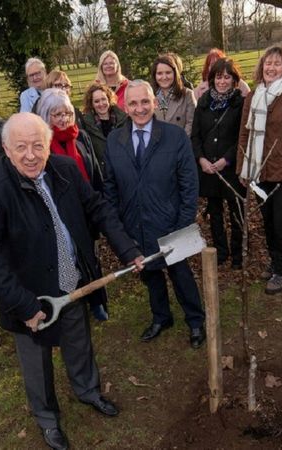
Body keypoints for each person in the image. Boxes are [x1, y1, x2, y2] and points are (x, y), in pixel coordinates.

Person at [0, 112, 144, 450]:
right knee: (37, 364)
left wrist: (127, 249)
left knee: (79, 342)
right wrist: (23, 305)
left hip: (72, 280)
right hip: (30, 295)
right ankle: (48, 419)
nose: (30, 155)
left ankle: (88, 390)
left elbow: (98, 208)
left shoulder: (64, 168)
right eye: (21, 147)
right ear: (6, 148)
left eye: (38, 146)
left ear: (49, 145)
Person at [104, 80, 206, 348]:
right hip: (135, 224)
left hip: (170, 223)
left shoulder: (175, 136)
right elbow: (110, 186)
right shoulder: (114, 140)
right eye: (133, 103)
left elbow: (189, 185)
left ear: (154, 103)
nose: (140, 109)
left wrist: (182, 226)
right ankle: (161, 317)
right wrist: (119, 227)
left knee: (180, 274)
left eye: (145, 102)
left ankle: (196, 321)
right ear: (125, 107)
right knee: (150, 274)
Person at [237, 45, 282, 295]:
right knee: (267, 220)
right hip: (259, 170)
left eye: (277, 64)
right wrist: (243, 167)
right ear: (262, 67)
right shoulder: (253, 95)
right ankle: (276, 260)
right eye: (268, 63)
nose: (271, 68)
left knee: (281, 221)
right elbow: (244, 134)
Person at [191, 58, 246, 269]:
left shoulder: (240, 103)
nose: (222, 81)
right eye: (218, 77)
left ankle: (238, 254)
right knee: (215, 213)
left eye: (227, 77)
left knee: (236, 211)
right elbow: (195, 136)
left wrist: (227, 159)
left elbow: (242, 137)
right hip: (209, 168)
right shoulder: (203, 102)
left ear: (234, 80)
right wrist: (201, 159)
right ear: (212, 79)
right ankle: (221, 252)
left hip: (231, 168)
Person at [36, 88, 103, 193]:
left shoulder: (81, 136)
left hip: (91, 198)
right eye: (58, 114)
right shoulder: (42, 144)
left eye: (68, 113)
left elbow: (96, 174)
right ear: (45, 115)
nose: (64, 119)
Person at [81, 83, 129, 170]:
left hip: (124, 168)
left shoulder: (123, 119)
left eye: (103, 99)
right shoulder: (86, 124)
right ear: (91, 104)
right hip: (102, 171)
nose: (101, 104)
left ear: (109, 99)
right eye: (96, 101)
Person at [150, 54, 197, 137]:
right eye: (160, 73)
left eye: (168, 73)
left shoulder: (187, 95)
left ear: (175, 74)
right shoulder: (150, 96)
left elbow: (190, 124)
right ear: (155, 75)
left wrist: (180, 142)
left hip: (180, 142)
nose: (164, 77)